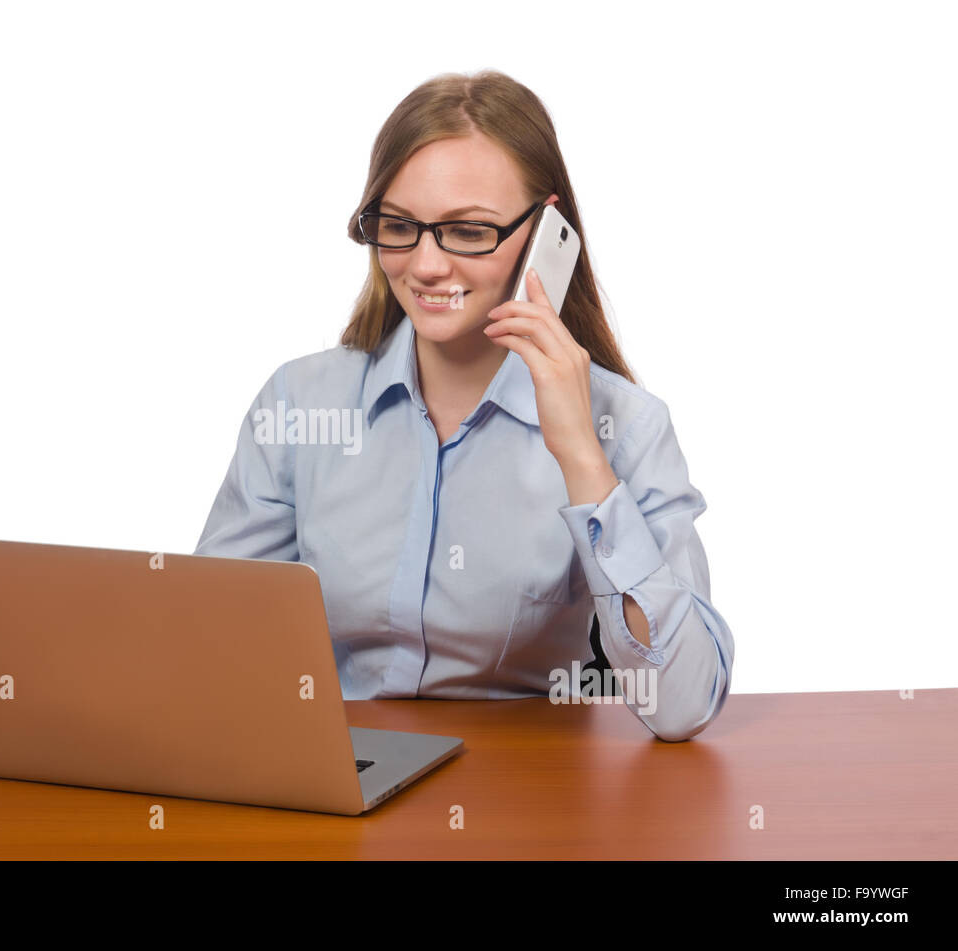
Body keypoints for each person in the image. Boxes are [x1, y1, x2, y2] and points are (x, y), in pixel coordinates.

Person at [194, 69, 733, 742]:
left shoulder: (624, 425)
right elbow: (208, 643)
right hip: (340, 786)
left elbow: (683, 703)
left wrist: (581, 458)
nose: (424, 265)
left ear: (546, 230)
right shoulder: (300, 404)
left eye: (468, 231)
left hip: (526, 798)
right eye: (399, 226)